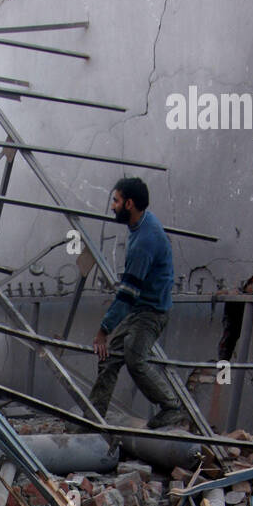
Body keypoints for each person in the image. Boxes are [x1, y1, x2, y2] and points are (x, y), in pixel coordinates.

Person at [90, 177, 186, 429]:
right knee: (109, 357)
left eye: (116, 200)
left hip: (152, 311)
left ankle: (170, 407)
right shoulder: (140, 224)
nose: (112, 206)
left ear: (129, 204)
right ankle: (94, 417)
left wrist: (104, 330)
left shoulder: (144, 241)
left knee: (134, 356)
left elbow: (127, 294)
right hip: (140, 307)